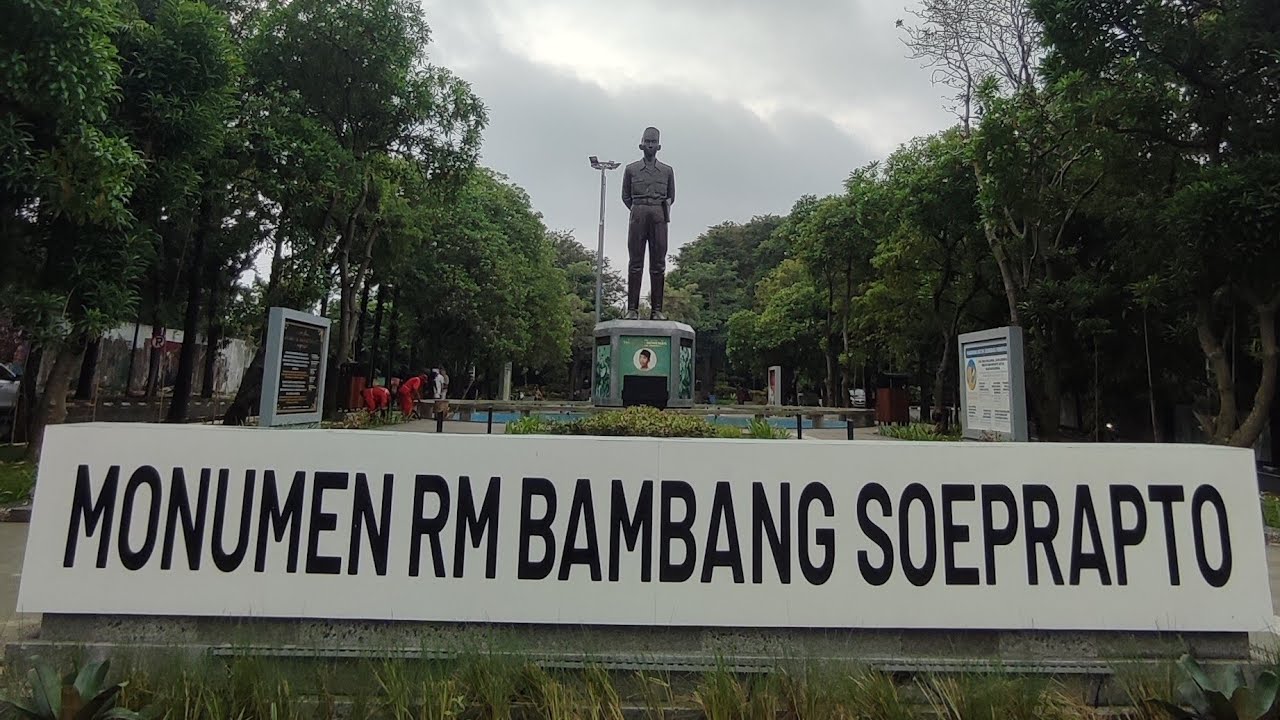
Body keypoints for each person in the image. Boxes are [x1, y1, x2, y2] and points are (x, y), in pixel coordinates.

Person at [621, 127, 676, 320]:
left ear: (659, 146)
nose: (650, 145)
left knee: (658, 264)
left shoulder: (667, 171)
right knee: (635, 263)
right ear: (641, 145)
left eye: (653, 142)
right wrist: (639, 209)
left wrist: (655, 210)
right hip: (638, 214)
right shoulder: (631, 169)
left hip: (659, 215)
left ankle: (657, 310)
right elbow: (625, 196)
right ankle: (632, 309)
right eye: (647, 142)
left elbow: (671, 196)